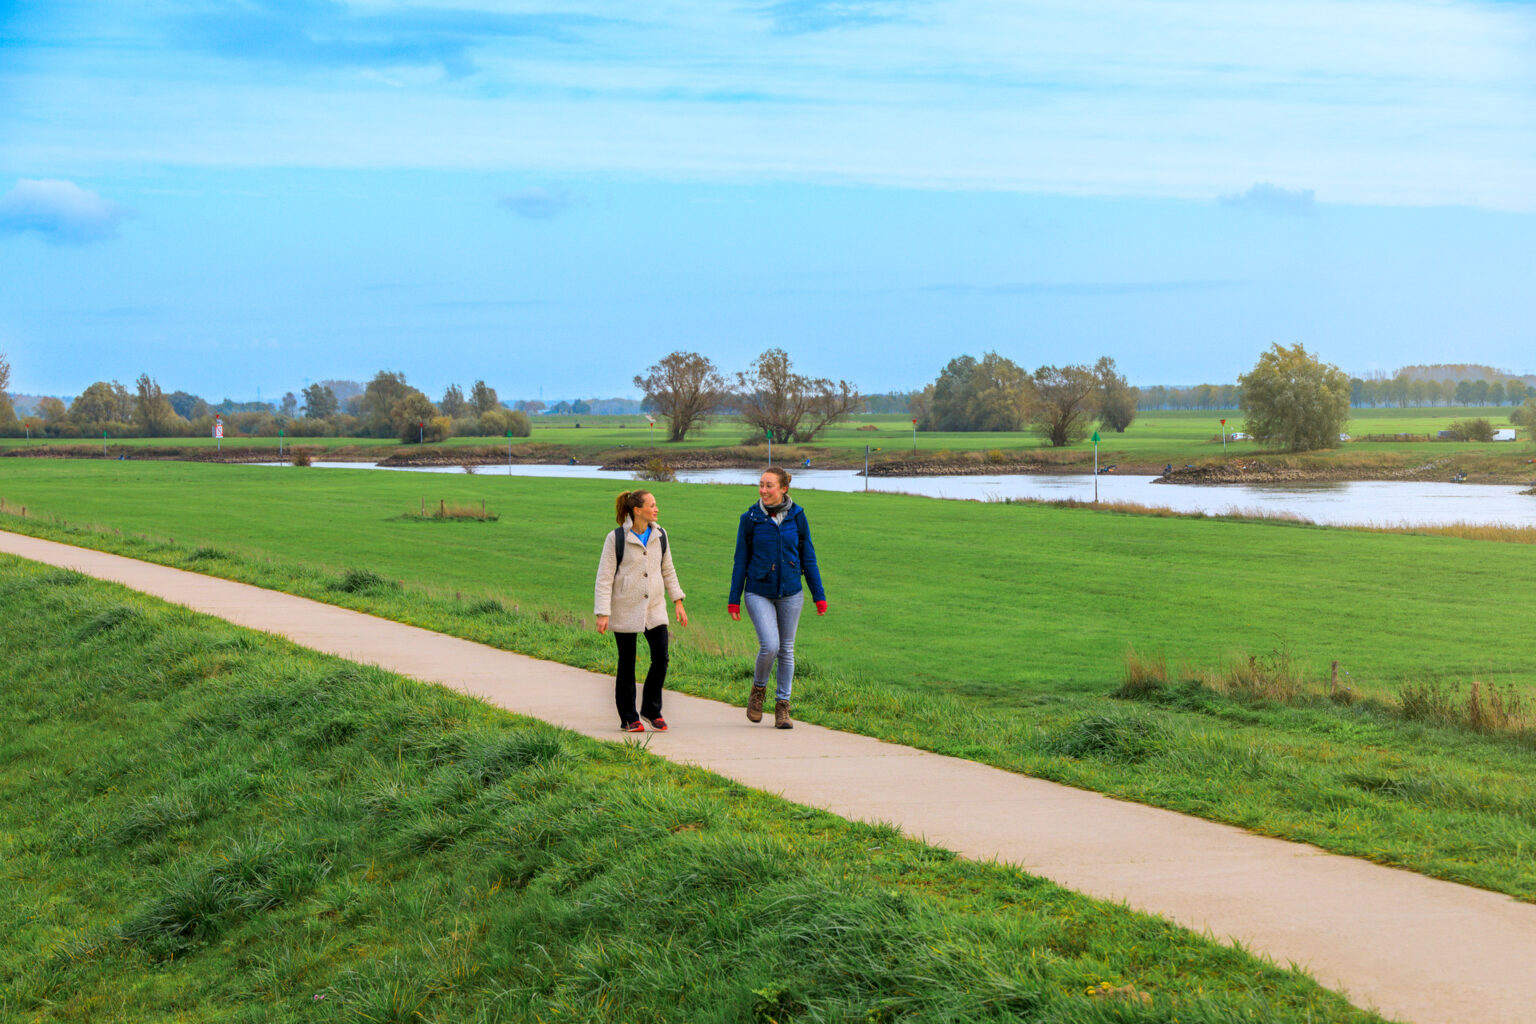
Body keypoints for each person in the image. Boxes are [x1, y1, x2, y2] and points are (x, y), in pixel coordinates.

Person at [728, 467, 826, 729]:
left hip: (791, 593)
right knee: (770, 645)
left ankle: (783, 707)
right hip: (758, 591)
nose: (763, 490)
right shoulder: (750, 519)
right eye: (761, 485)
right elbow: (740, 561)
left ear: (784, 489)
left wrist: (819, 595)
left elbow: (808, 557)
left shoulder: (797, 516)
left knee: (787, 650)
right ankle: (758, 691)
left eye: (769, 485)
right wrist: (734, 599)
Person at [594, 489, 687, 733]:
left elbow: (668, 569)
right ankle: (628, 718)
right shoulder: (616, 538)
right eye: (652, 505)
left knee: (661, 658)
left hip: (655, 607)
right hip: (625, 607)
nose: (656, 509)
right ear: (637, 510)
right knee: (627, 663)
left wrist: (678, 600)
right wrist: (603, 612)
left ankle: (651, 710)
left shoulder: (660, 535)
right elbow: (604, 577)